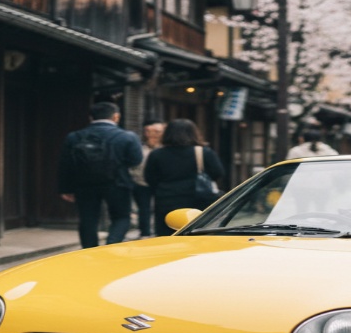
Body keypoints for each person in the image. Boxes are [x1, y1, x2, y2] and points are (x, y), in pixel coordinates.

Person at [57, 101, 143, 248]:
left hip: (84, 184)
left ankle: (89, 251)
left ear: (91, 117)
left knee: (87, 220)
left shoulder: (74, 137)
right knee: (121, 217)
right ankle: (111, 245)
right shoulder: (127, 136)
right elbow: (135, 160)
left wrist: (65, 188)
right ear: (116, 117)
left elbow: (65, 164)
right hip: (118, 183)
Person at [144, 119, 225, 237]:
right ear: (194, 133)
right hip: (197, 199)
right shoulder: (203, 152)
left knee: (167, 234)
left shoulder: (157, 154)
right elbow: (218, 173)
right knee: (197, 234)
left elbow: (150, 178)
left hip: (166, 200)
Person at [131, 118, 165, 238]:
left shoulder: (165, 148)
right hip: (141, 182)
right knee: (144, 209)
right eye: (150, 131)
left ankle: (159, 232)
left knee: (160, 207)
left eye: (158, 131)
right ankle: (145, 232)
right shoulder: (139, 147)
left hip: (161, 183)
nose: (154, 134)